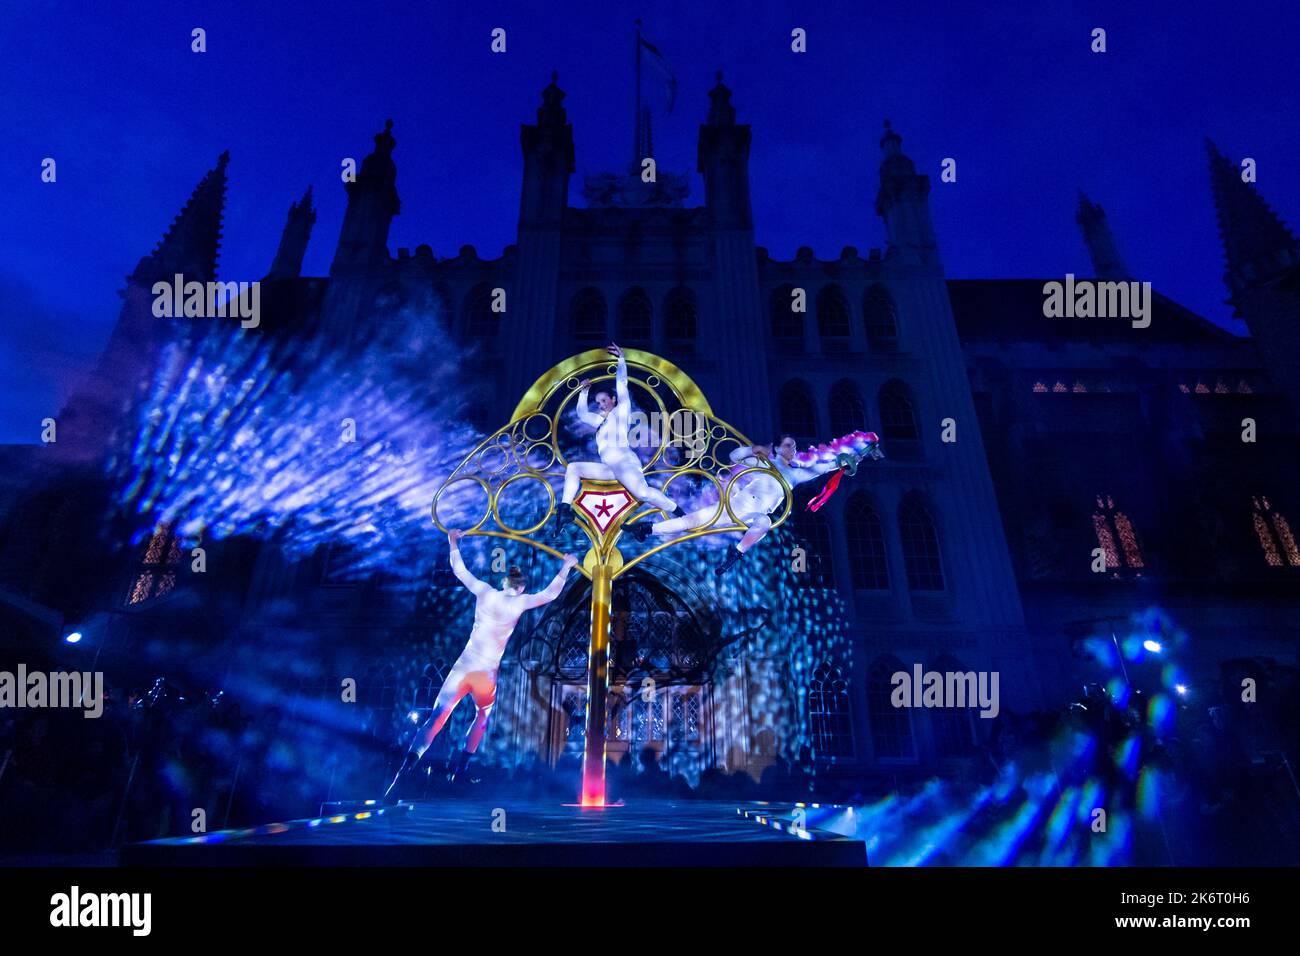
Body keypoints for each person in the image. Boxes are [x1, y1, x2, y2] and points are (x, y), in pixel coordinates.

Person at [382, 530, 578, 803]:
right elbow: (550, 594)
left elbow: (460, 571)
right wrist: (566, 566)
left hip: (465, 667)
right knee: (482, 716)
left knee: (437, 717)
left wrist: (452, 542)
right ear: (521, 587)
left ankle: (402, 775)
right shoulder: (520, 602)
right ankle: (461, 767)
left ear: (504, 582)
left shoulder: (485, 592)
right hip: (486, 674)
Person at [627, 430, 882, 574]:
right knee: (691, 521)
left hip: (756, 513)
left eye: (794, 447)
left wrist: (854, 458)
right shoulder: (762, 461)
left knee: (765, 523)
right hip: (736, 505)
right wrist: (754, 449)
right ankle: (647, 529)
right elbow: (734, 455)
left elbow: (824, 467)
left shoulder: (795, 473)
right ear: (778, 448)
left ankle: (736, 553)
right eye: (788, 445)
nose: (793, 450)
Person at [553, 342, 679, 537]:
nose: (601, 405)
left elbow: (622, 383)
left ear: (613, 399)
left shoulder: (621, 411)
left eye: (604, 400)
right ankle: (564, 510)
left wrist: (621, 360)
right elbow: (582, 414)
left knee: (643, 493)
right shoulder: (600, 422)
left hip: (624, 463)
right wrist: (583, 392)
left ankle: (677, 512)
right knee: (573, 468)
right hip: (609, 468)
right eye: (598, 403)